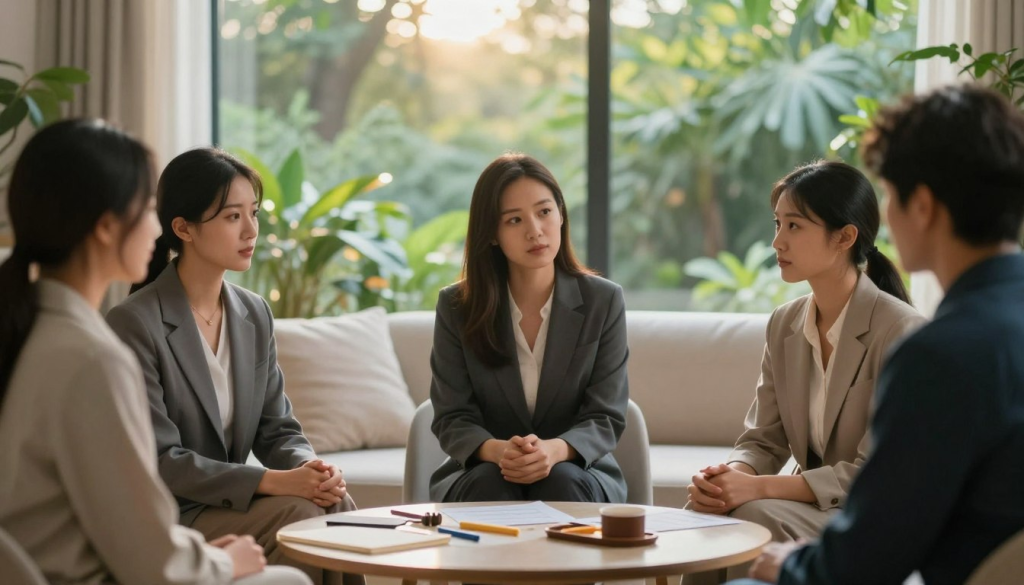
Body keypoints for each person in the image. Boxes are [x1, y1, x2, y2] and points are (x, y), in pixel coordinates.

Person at [734, 85, 1024, 585]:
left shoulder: (938, 353)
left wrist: (789, 564)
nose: (884, 213)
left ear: (923, 206)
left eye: (889, 194)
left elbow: (870, 555)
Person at [0, 119, 309, 584]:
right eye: (147, 208)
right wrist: (224, 562)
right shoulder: (93, 357)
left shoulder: (33, 332)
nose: (156, 225)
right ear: (107, 228)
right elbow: (149, 556)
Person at [106, 148, 360, 585]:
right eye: (232, 217)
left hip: (232, 504)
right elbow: (161, 460)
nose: (251, 230)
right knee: (300, 515)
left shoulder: (253, 313)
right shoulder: (135, 322)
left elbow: (277, 429)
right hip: (170, 514)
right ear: (183, 228)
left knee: (332, 503)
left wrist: (311, 469)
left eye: (254, 213)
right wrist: (275, 482)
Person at [684, 160, 925, 582]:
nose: (777, 241)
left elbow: (876, 473)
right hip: (809, 509)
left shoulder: (900, 331)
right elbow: (763, 439)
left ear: (845, 237)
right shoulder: (784, 323)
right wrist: (730, 477)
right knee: (709, 509)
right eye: (777, 223)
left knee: (753, 515)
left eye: (794, 226)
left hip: (869, 517)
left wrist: (757, 488)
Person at [429, 153, 630, 503]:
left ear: (561, 214)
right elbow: (452, 417)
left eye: (544, 212)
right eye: (514, 220)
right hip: (482, 470)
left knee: (562, 481)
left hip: (578, 470)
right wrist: (498, 452)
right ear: (492, 234)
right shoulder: (456, 306)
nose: (534, 230)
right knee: (491, 482)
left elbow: (605, 415)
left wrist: (554, 451)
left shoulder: (604, 300)